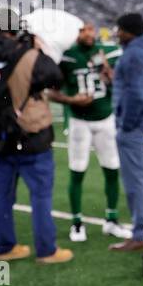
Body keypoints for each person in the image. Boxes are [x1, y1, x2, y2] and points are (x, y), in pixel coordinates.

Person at [0, 6, 73, 265]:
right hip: (32, 135)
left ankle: (5, 247)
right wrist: (39, 48)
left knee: (0, 196)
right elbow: (55, 78)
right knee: (40, 196)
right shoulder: (30, 55)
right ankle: (46, 250)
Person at [56, 21, 132, 243]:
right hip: (80, 122)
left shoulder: (106, 51)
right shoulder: (67, 56)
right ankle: (77, 223)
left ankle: (112, 220)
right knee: (77, 170)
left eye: (91, 29)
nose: (89, 33)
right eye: (83, 30)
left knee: (111, 169)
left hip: (105, 119)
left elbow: (120, 82)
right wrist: (71, 99)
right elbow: (49, 91)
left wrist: (108, 70)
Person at [109, 13, 143, 256]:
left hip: (137, 125)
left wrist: (126, 124)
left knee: (136, 180)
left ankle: (141, 232)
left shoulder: (133, 54)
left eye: (119, 29)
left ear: (128, 31)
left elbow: (135, 94)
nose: (117, 33)